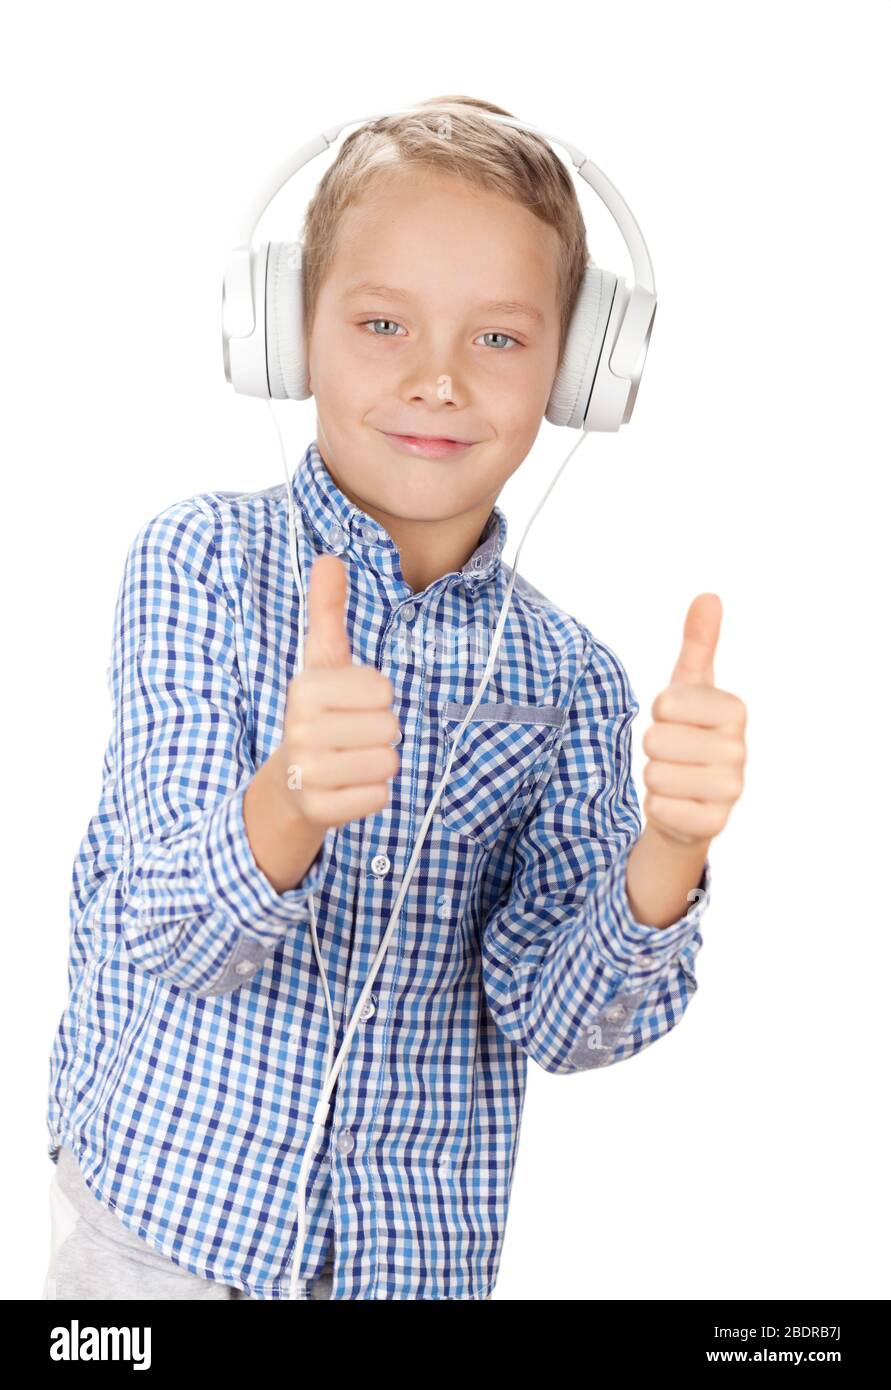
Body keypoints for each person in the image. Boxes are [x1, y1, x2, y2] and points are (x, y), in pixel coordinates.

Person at [44, 94, 747, 1301]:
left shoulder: (573, 679)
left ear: (578, 371)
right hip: (157, 1231)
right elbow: (171, 932)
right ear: (284, 333)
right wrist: (291, 798)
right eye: (381, 322)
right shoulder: (199, 565)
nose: (436, 381)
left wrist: (665, 855)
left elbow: (564, 1020)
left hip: (407, 1262)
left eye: (501, 339)